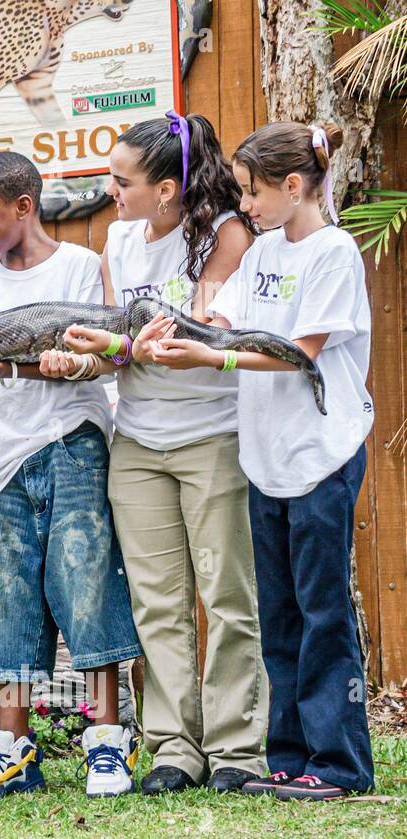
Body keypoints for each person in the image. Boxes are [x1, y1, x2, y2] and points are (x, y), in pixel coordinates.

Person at [143, 121, 375, 800]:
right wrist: (170, 331)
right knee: (279, 613)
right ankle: (290, 757)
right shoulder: (264, 250)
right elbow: (222, 320)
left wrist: (210, 355)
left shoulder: (333, 252)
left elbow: (295, 353)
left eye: (251, 192)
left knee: (322, 610)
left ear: (294, 185)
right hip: (265, 460)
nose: (243, 205)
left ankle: (339, 766)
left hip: (319, 458)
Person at [59, 112, 266, 794]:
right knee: (157, 603)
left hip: (212, 437)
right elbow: (126, 341)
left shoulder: (227, 237)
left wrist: (128, 347)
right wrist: (105, 351)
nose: (110, 189)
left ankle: (237, 750)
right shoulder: (119, 238)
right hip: (138, 442)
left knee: (226, 595)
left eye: (122, 180)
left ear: (168, 190)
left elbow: (211, 342)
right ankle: (175, 748)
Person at [0, 153, 143, 801]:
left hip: (74, 446)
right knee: (4, 602)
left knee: (87, 589)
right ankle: (10, 748)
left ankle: (108, 741)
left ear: (24, 207)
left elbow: (99, 365)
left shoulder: (81, 269)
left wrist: (15, 368)